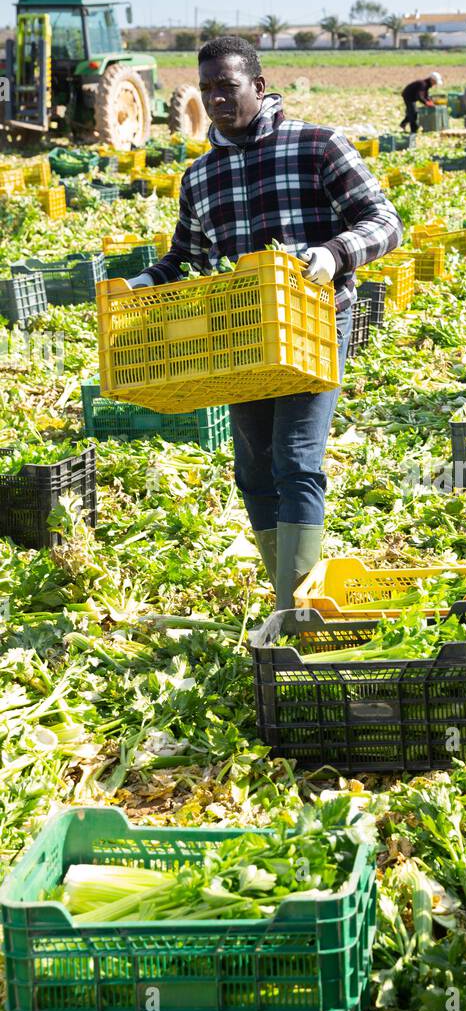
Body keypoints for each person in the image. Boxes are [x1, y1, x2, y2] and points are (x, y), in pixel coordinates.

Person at [125, 36, 403, 609]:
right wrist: (143, 285)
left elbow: (384, 221)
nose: (216, 99)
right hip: (240, 334)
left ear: (257, 83)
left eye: (226, 86)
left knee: (296, 457)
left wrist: (333, 254)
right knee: (252, 468)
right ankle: (287, 591)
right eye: (207, 89)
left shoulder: (318, 145)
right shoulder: (200, 178)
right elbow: (188, 260)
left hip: (315, 321)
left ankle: (293, 608)